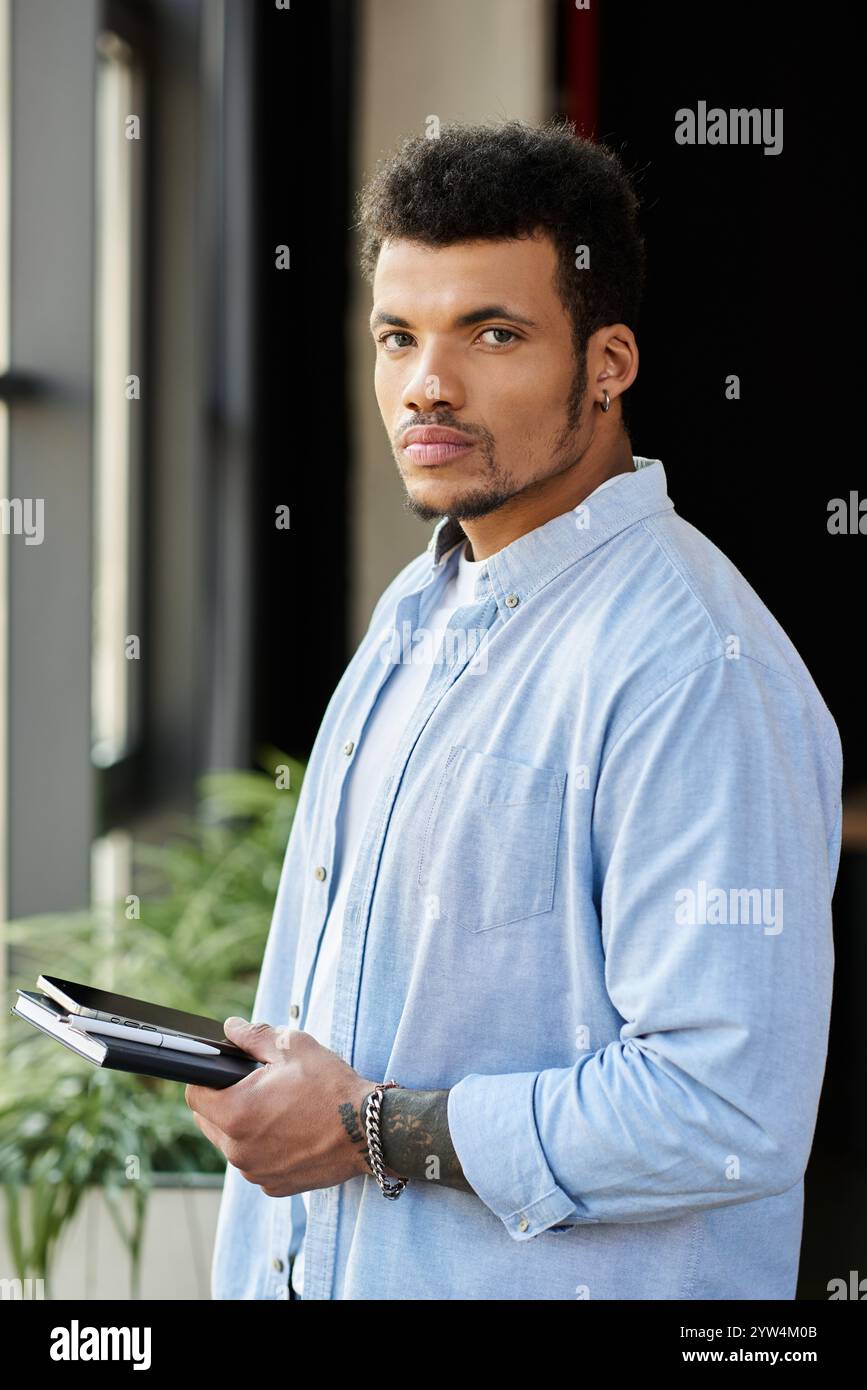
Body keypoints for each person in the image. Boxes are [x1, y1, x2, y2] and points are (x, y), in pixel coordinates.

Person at [193, 119, 842, 1300]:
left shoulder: (697, 667)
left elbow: (729, 1107)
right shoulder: (417, 607)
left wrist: (368, 1129)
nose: (427, 385)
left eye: (493, 333)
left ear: (609, 363)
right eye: (400, 336)